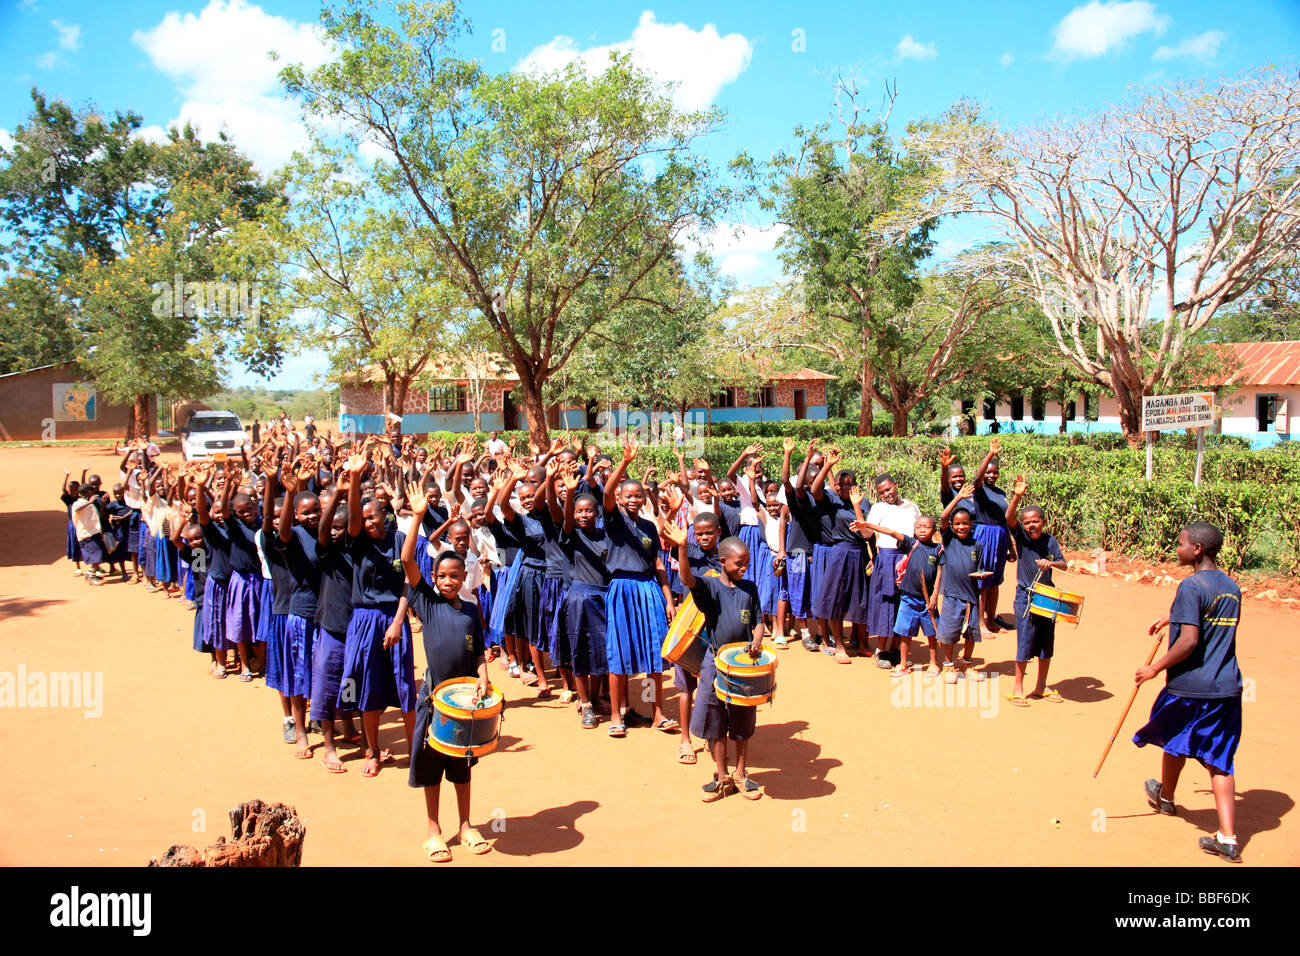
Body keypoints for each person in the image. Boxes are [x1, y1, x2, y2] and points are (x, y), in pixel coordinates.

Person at [1132, 522, 1244, 863]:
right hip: (1226, 688)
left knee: (1173, 736)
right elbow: (1208, 620)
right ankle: (1227, 839)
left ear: (1197, 549)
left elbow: (1191, 640)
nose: (1175, 548)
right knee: (1220, 761)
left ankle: (1166, 798)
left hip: (1189, 686)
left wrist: (1155, 668)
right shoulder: (1232, 587)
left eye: (1180, 543)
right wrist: (1172, 617)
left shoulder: (1190, 586)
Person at [397, 535, 493, 863]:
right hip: (434, 702)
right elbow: (408, 558)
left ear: (464, 577)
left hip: (464, 704)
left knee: (462, 765)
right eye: (442, 576)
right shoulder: (427, 602)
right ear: (433, 579)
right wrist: (420, 516)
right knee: (431, 767)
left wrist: (484, 675)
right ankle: (433, 830)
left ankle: (466, 825)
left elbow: (477, 651)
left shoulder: (470, 611)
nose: (448, 581)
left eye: (455, 575)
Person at [662, 521, 765, 802]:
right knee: (716, 722)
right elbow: (686, 579)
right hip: (715, 664)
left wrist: (757, 640)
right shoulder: (708, 587)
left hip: (744, 666)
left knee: (743, 722)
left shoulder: (750, 588)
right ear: (723, 562)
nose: (744, 569)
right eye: (739, 564)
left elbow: (758, 622)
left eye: (747, 564)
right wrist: (682, 546)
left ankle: (742, 774)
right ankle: (722, 776)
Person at [343, 449, 415, 777]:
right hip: (364, 620)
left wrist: (399, 621)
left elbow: (407, 585)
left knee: (404, 686)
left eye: (374, 516)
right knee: (367, 687)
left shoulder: (400, 539)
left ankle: (416, 749)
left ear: (383, 512)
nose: (370, 523)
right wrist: (355, 477)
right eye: (364, 518)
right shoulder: (357, 542)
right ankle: (372, 750)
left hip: (393, 619)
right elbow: (355, 522)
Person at [602, 433, 677, 737]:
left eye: (638, 495)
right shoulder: (613, 519)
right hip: (621, 589)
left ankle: (654, 711)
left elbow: (658, 563)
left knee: (652, 653)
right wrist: (625, 462)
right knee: (619, 653)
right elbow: (606, 493)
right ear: (620, 499)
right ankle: (618, 714)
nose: (634, 499)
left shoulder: (648, 526)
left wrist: (668, 597)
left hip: (648, 591)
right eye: (628, 495)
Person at [1004, 475, 1067, 705]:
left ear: (1043, 521)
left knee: (1045, 643)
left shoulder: (1050, 541)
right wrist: (1017, 496)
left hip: (1047, 596)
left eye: (1035, 521)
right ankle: (1018, 688)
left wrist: (1051, 564)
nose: (1031, 525)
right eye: (1027, 522)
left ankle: (1041, 686)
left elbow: (1063, 563)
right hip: (1026, 596)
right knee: (1025, 642)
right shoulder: (1021, 538)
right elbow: (1008, 517)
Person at [858, 474, 920, 667]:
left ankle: (896, 649)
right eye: (881, 492)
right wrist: (856, 508)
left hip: (908, 558)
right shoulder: (878, 509)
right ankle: (881, 650)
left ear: (896, 485)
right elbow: (867, 532)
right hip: (886, 558)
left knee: (904, 602)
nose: (886, 494)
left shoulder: (912, 507)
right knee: (886, 602)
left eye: (888, 489)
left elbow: (918, 531)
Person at [936, 484, 984, 684]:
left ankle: (966, 663)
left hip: (971, 596)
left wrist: (981, 575)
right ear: (953, 526)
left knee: (971, 632)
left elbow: (980, 569)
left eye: (965, 523)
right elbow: (943, 517)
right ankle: (948, 665)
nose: (961, 527)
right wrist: (957, 499)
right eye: (957, 524)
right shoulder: (949, 539)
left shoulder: (977, 545)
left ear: (970, 524)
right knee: (950, 632)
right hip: (952, 595)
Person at [972, 438, 1015, 634]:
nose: (991, 475)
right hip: (985, 535)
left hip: (1000, 536)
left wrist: (1011, 547)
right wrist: (990, 454)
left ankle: (991, 620)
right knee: (984, 581)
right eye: (988, 472)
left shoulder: (1000, 492)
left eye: (994, 472)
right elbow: (976, 479)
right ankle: (980, 624)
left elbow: (1005, 519)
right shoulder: (980, 490)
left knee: (995, 582)